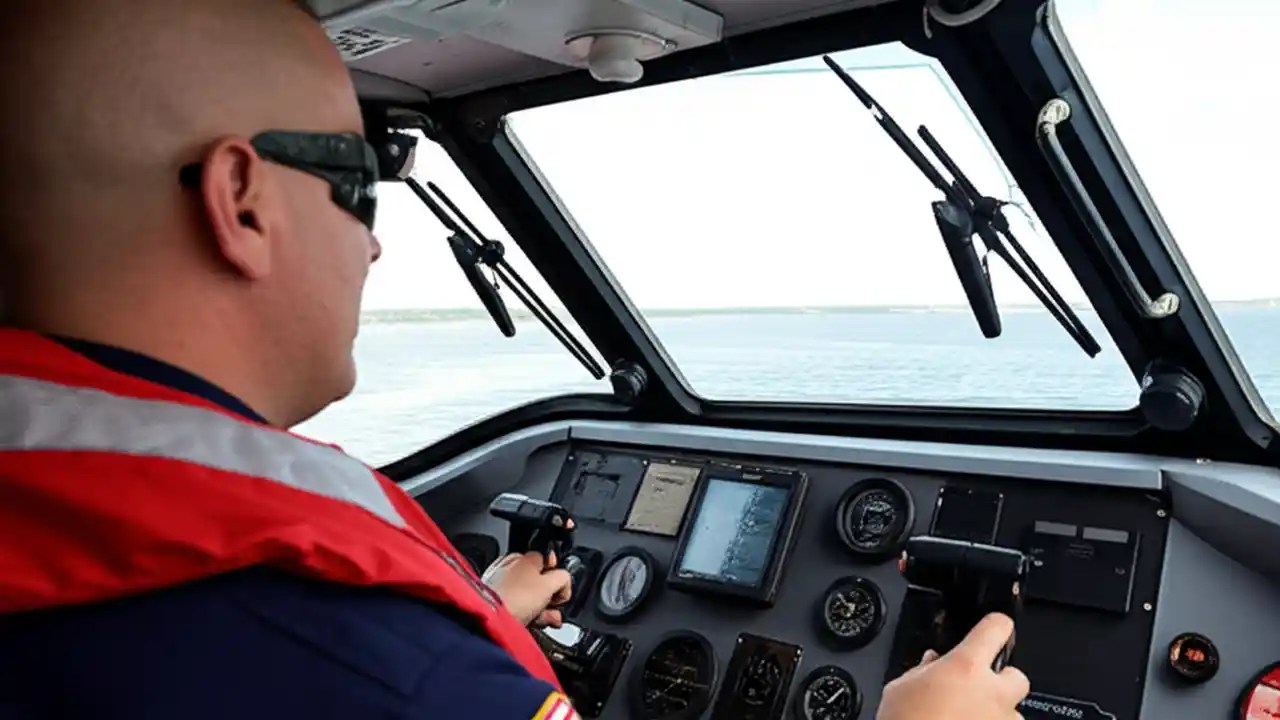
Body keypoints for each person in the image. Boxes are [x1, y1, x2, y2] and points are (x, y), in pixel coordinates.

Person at [0, 0, 1029, 718]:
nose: (371, 240)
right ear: (243, 200)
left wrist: (476, 619)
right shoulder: (352, 653)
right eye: (363, 177)